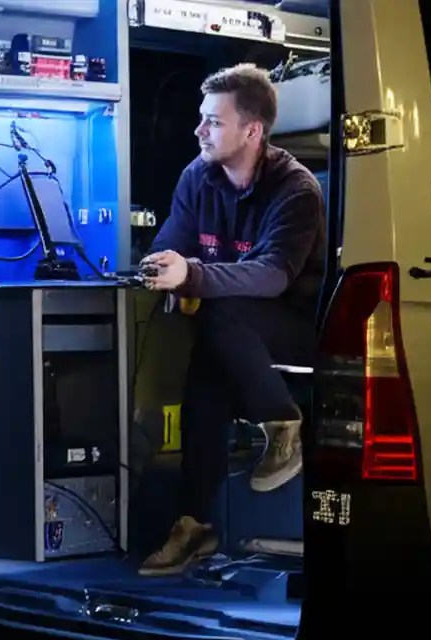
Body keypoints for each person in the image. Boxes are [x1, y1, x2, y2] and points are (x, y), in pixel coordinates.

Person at [137, 63, 326, 576]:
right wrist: (159, 271)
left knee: (221, 314)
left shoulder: (296, 190)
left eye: (213, 122)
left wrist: (193, 276)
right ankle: (194, 522)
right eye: (201, 119)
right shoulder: (197, 177)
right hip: (229, 332)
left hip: (294, 330)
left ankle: (284, 421)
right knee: (206, 372)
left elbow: (271, 277)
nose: (200, 131)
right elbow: (167, 247)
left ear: (252, 131)